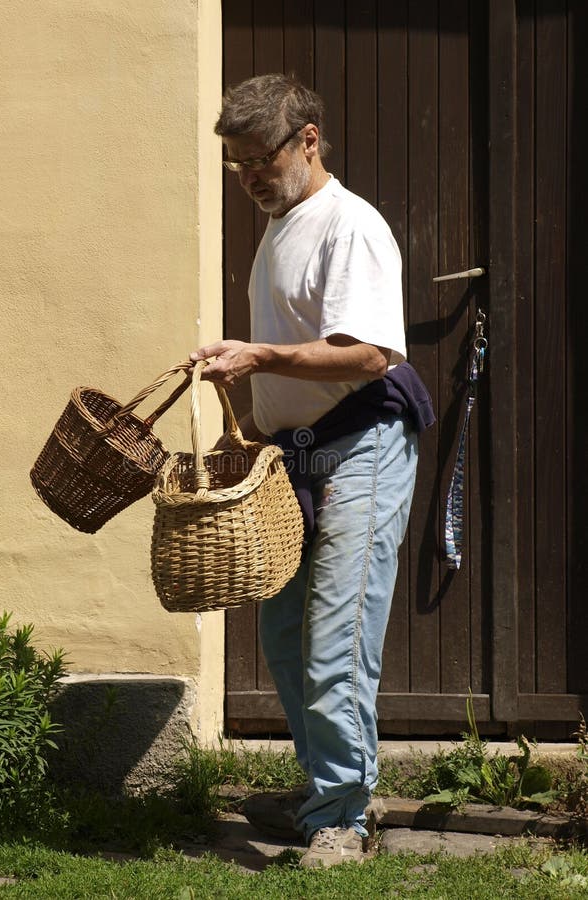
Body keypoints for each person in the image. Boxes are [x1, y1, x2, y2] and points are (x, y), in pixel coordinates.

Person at [190, 73, 433, 868]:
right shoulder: (281, 228)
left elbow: (367, 355)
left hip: (363, 442)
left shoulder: (347, 226)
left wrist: (256, 353)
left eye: (261, 159)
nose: (251, 178)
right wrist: (250, 431)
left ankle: (342, 816)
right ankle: (328, 787)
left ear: (308, 140)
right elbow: (297, 367)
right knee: (286, 633)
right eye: (237, 167)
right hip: (297, 452)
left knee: (335, 635)